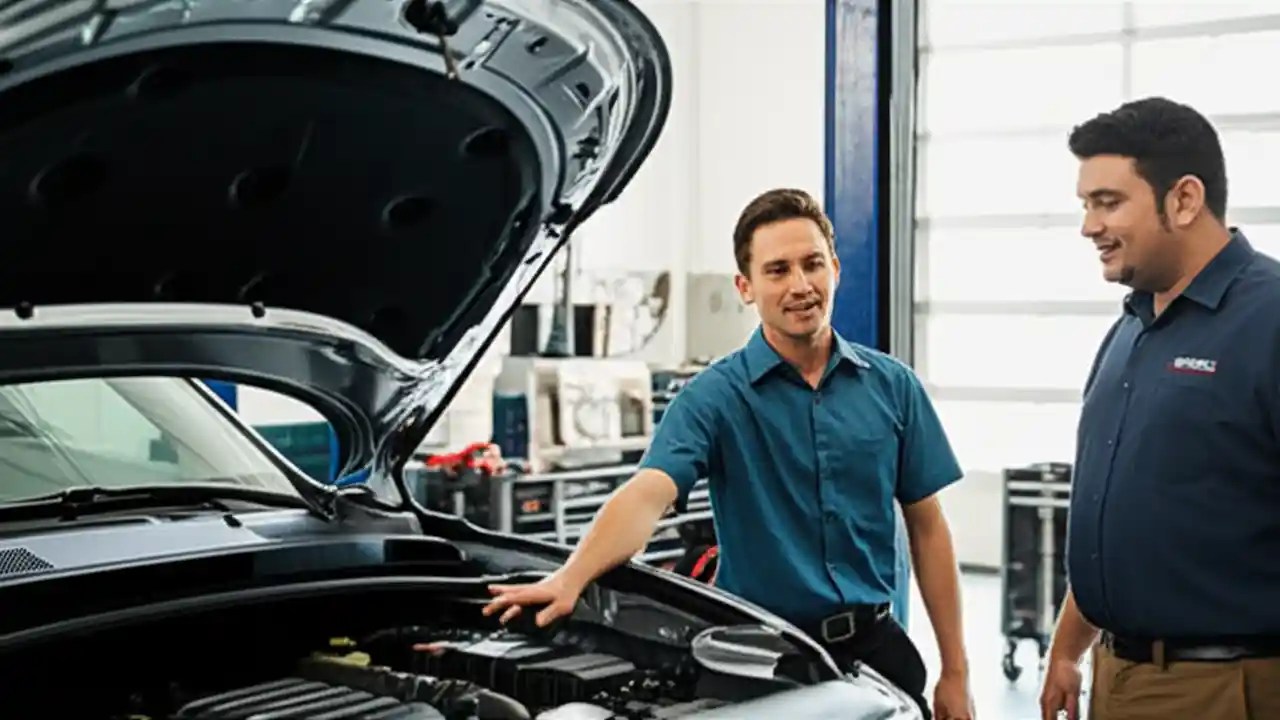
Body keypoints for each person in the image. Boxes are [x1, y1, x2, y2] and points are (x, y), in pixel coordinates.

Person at [484, 188, 975, 720]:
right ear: (746, 287)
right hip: (763, 662)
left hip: (879, 653)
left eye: (812, 264)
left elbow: (928, 528)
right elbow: (649, 493)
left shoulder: (894, 387)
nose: (800, 285)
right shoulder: (713, 397)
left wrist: (956, 669)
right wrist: (571, 576)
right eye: (777, 270)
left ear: (835, 267)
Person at [1040, 97, 1280, 720]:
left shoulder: (1271, 321)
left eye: (1108, 202)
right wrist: (1067, 651)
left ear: (1184, 199)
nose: (1089, 226)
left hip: (1225, 688)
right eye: (1085, 204)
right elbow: (1114, 510)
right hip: (1118, 677)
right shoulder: (1131, 329)